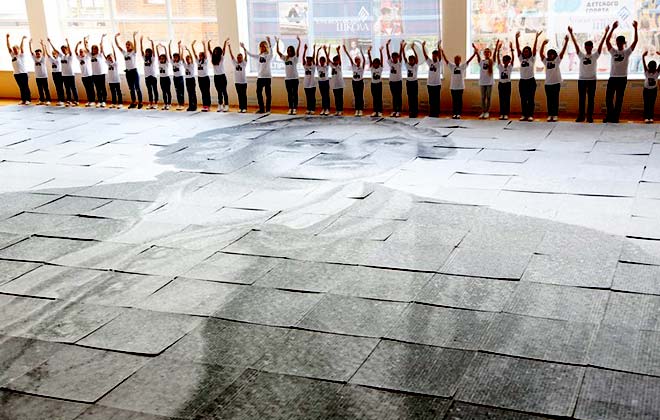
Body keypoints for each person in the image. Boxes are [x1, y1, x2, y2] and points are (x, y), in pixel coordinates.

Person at [569, 25, 608, 123]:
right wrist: (571, 33)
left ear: (592, 47)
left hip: (592, 80)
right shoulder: (581, 55)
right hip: (582, 80)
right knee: (581, 99)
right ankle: (581, 116)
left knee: (591, 99)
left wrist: (606, 33)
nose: (588, 48)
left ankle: (589, 117)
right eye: (586, 47)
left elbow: (601, 45)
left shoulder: (595, 56)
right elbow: (576, 45)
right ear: (585, 47)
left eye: (590, 47)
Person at [604, 20, 639, 123]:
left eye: (620, 42)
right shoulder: (613, 51)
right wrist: (612, 28)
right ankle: (610, 116)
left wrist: (635, 29)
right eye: (617, 42)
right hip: (612, 77)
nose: (619, 44)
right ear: (616, 42)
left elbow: (635, 42)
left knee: (619, 99)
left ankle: (615, 118)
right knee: (608, 98)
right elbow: (607, 41)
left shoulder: (626, 52)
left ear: (624, 43)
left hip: (622, 78)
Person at [540, 35, 569, 122]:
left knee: (555, 100)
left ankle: (555, 115)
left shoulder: (557, 60)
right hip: (548, 84)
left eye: (552, 54)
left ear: (555, 55)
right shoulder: (546, 61)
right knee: (549, 100)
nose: (550, 55)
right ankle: (550, 115)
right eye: (549, 54)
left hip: (556, 83)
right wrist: (543, 44)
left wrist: (566, 42)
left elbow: (563, 52)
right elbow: (541, 54)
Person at [443, 46, 477, 119]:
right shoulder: (452, 66)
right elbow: (446, 60)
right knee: (454, 101)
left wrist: (474, 53)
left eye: (458, 60)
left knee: (459, 100)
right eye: (455, 60)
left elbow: (469, 60)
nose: (456, 61)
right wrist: (442, 52)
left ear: (460, 60)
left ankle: (458, 113)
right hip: (453, 87)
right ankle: (454, 113)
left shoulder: (462, 66)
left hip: (460, 87)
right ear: (454, 60)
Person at [515, 30, 542, 121]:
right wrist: (516, 38)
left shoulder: (532, 59)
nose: (525, 53)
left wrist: (536, 38)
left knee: (530, 99)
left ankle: (530, 115)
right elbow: (517, 49)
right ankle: (524, 114)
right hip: (522, 81)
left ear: (529, 52)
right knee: (523, 99)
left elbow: (534, 48)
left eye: (527, 51)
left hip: (531, 81)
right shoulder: (521, 58)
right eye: (524, 51)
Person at [244, 37, 273, 114]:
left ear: (266, 47)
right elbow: (250, 55)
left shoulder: (268, 56)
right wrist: (244, 48)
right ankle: (261, 109)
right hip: (260, 77)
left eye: (263, 46)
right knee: (258, 92)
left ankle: (268, 109)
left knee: (268, 94)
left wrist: (269, 43)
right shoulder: (259, 56)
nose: (262, 47)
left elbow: (271, 53)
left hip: (267, 77)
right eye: (261, 46)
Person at [115, 32, 142, 109]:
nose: (127, 46)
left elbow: (136, 46)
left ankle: (140, 102)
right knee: (131, 89)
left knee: (137, 88)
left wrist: (134, 37)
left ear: (131, 45)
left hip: (134, 72)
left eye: (129, 44)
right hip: (128, 72)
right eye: (126, 45)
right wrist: (115, 37)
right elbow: (118, 46)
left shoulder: (133, 52)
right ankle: (133, 102)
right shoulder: (125, 53)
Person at [276, 35, 301, 115]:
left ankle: (295, 108)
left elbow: (298, 51)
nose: (289, 52)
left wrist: (299, 42)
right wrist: (277, 42)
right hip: (288, 79)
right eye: (288, 50)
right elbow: (278, 52)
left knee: (295, 94)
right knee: (289, 94)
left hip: (295, 78)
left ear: (292, 51)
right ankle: (290, 108)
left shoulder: (295, 58)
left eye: (290, 50)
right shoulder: (285, 58)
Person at [6, 34, 30, 105]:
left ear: (18, 49)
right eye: (13, 49)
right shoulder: (12, 55)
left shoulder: (21, 55)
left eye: (15, 49)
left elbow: (21, 47)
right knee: (21, 87)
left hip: (23, 73)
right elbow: (8, 47)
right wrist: (7, 38)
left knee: (25, 87)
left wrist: (22, 39)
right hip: (16, 74)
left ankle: (28, 99)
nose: (14, 50)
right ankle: (23, 99)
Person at [494, 39, 514, 120]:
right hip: (501, 84)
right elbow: (497, 58)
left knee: (507, 99)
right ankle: (502, 113)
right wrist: (498, 49)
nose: (505, 61)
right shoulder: (500, 67)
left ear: (509, 61)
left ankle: (506, 113)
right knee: (501, 99)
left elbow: (513, 59)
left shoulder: (510, 67)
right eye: (504, 60)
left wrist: (512, 49)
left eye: (506, 60)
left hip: (507, 84)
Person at [422, 40, 442, 117]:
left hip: (437, 84)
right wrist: (423, 46)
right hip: (430, 84)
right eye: (433, 55)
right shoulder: (430, 62)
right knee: (431, 99)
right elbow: (425, 56)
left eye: (435, 55)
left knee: (436, 99)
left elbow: (440, 56)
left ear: (437, 56)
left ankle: (436, 113)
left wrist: (438, 46)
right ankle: (431, 112)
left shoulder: (439, 62)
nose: (434, 57)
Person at [344, 43, 365, 116]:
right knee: (356, 96)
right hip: (354, 82)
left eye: (358, 60)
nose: (357, 61)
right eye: (356, 60)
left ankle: (361, 109)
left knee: (360, 96)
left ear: (360, 60)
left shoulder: (362, 67)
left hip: (360, 82)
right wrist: (345, 51)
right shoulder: (353, 66)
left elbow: (364, 59)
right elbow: (350, 58)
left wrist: (361, 52)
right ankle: (357, 110)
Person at [474, 43, 494, 119]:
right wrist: (475, 49)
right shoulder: (482, 62)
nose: (486, 53)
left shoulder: (492, 62)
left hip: (489, 82)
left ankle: (487, 112)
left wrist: (496, 47)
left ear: (490, 54)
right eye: (485, 52)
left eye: (488, 52)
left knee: (488, 97)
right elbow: (477, 56)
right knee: (483, 97)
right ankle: (483, 111)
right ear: (484, 54)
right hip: (482, 82)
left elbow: (495, 55)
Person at [209, 38, 229, 112]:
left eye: (217, 51)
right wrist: (208, 43)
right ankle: (220, 105)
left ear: (219, 52)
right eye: (215, 51)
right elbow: (209, 50)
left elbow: (224, 50)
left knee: (224, 91)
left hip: (222, 76)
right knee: (219, 92)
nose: (215, 52)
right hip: (216, 77)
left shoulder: (221, 57)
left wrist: (225, 42)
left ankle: (226, 105)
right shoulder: (213, 58)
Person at [386, 39, 404, 117]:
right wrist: (387, 46)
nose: (394, 58)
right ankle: (394, 110)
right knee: (394, 96)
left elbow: (401, 54)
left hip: (398, 82)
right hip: (392, 82)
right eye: (393, 57)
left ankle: (398, 111)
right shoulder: (391, 63)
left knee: (398, 96)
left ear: (397, 57)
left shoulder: (399, 63)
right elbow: (388, 55)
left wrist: (401, 46)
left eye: (395, 57)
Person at [29, 39, 51, 105]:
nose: (37, 54)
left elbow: (44, 52)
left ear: (41, 54)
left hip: (44, 76)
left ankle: (48, 100)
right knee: (40, 89)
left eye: (39, 53)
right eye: (36, 54)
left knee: (46, 89)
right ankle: (42, 100)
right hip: (37, 76)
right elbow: (31, 52)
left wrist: (42, 44)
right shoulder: (35, 59)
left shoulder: (43, 58)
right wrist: (29, 44)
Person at [192, 40, 211, 112]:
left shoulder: (205, 61)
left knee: (207, 92)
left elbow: (205, 53)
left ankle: (208, 105)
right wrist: (192, 46)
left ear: (203, 56)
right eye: (199, 55)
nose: (199, 56)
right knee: (203, 92)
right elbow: (194, 54)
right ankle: (204, 105)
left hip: (205, 78)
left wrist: (204, 45)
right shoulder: (198, 61)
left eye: (201, 55)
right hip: (200, 78)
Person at [229, 41, 248, 113]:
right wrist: (229, 47)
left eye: (240, 57)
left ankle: (244, 108)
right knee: (239, 95)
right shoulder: (235, 63)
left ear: (242, 58)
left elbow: (246, 55)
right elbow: (231, 55)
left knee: (244, 95)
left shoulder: (244, 63)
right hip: (237, 82)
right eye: (238, 57)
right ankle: (240, 107)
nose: (239, 58)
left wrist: (243, 48)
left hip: (243, 82)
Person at [45, 39, 65, 106]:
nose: (53, 54)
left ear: (57, 53)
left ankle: (62, 100)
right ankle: (59, 99)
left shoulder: (60, 58)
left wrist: (50, 42)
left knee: (60, 87)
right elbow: (47, 54)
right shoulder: (52, 59)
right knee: (57, 87)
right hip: (54, 73)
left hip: (59, 73)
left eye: (55, 53)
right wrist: (44, 47)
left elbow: (55, 49)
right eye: (53, 53)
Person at [402, 40, 419, 118]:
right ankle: (411, 111)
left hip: (414, 82)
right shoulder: (407, 65)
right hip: (409, 82)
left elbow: (417, 58)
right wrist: (403, 48)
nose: (411, 61)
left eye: (412, 60)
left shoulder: (415, 66)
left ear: (414, 60)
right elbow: (404, 57)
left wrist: (413, 49)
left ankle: (415, 111)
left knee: (414, 97)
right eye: (410, 60)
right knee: (410, 97)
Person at [642, 51, 660, 123]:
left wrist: (643, 56)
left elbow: (644, 64)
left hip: (652, 90)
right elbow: (644, 64)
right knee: (648, 104)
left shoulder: (656, 72)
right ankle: (647, 117)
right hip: (647, 90)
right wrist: (643, 57)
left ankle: (650, 117)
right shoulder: (650, 72)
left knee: (650, 104)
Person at [77, 37, 95, 107]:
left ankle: (92, 101)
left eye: (82, 51)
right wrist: (77, 44)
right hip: (83, 76)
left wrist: (85, 42)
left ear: (84, 52)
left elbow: (88, 50)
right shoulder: (79, 58)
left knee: (91, 89)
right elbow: (75, 51)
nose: (80, 53)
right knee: (87, 89)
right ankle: (89, 100)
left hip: (89, 75)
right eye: (80, 52)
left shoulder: (87, 57)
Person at [142, 36, 158, 109]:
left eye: (148, 52)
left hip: (153, 76)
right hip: (147, 77)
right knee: (149, 91)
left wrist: (152, 42)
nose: (147, 53)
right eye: (146, 52)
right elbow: (141, 50)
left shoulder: (153, 58)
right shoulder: (144, 58)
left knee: (155, 90)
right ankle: (150, 103)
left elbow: (154, 51)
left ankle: (156, 103)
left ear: (150, 53)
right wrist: (141, 41)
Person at [91, 34, 108, 108]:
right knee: (97, 89)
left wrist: (102, 38)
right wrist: (85, 41)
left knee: (102, 88)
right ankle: (100, 101)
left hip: (101, 74)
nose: (94, 50)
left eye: (95, 49)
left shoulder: (100, 55)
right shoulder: (91, 56)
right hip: (94, 75)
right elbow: (86, 49)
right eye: (93, 49)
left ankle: (104, 101)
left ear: (97, 49)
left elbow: (101, 46)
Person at [368, 45, 384, 117]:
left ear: (379, 64)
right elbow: (370, 59)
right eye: (374, 63)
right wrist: (369, 52)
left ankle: (380, 111)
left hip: (379, 84)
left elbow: (382, 60)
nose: (375, 64)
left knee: (379, 98)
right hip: (373, 84)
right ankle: (375, 111)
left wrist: (381, 52)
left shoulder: (380, 68)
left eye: (377, 63)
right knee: (374, 98)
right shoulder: (372, 68)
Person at [60, 38, 78, 106]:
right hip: (64, 75)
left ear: (67, 49)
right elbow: (56, 50)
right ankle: (69, 100)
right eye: (62, 50)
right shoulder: (62, 56)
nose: (63, 51)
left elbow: (70, 51)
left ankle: (76, 100)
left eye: (64, 49)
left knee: (73, 88)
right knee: (67, 88)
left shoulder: (70, 56)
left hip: (70, 74)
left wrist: (67, 42)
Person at [330, 45, 345, 116]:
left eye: (337, 60)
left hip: (340, 84)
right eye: (334, 61)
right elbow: (328, 59)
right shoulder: (332, 66)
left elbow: (340, 58)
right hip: (334, 85)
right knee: (336, 98)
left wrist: (338, 51)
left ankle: (341, 110)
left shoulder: (339, 66)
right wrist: (326, 50)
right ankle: (337, 110)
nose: (336, 62)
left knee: (340, 97)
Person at [106, 44, 122, 109]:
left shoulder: (115, 63)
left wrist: (113, 48)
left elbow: (115, 55)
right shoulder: (108, 63)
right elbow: (104, 56)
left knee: (118, 92)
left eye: (111, 57)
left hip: (116, 80)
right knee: (113, 92)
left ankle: (120, 103)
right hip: (111, 80)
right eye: (109, 58)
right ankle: (113, 103)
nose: (110, 59)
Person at [170, 41, 185, 111]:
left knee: (181, 91)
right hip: (175, 78)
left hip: (180, 78)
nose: (175, 58)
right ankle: (179, 104)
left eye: (176, 57)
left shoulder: (180, 62)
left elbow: (181, 55)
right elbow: (169, 55)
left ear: (178, 58)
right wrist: (169, 46)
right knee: (177, 91)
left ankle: (182, 104)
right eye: (174, 57)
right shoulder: (172, 62)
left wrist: (179, 47)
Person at [156, 43, 172, 110]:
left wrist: (164, 47)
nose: (161, 59)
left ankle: (169, 104)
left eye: (163, 58)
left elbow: (166, 55)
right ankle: (165, 103)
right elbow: (157, 55)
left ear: (165, 59)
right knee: (163, 92)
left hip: (167, 78)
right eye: (160, 58)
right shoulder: (159, 63)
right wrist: (156, 48)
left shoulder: (166, 63)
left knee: (168, 91)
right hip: (161, 78)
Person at [302, 43, 317, 115]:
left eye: (309, 60)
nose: (308, 62)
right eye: (307, 60)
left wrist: (314, 49)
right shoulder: (305, 66)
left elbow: (314, 58)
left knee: (312, 97)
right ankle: (308, 108)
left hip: (312, 84)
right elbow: (303, 58)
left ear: (311, 61)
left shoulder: (313, 67)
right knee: (308, 97)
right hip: (306, 84)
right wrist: (305, 50)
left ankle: (313, 109)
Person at [317, 45, 330, 116]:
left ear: (324, 61)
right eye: (320, 61)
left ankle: (327, 108)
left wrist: (325, 51)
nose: (321, 62)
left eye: (322, 61)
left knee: (326, 95)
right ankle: (323, 108)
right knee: (322, 96)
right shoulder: (318, 67)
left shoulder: (326, 67)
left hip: (326, 82)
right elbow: (316, 60)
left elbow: (328, 58)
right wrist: (317, 51)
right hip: (320, 82)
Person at [183, 46, 197, 111]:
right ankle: (190, 105)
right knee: (189, 93)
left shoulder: (192, 64)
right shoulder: (185, 65)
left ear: (191, 59)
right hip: (187, 80)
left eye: (188, 59)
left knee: (193, 93)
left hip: (192, 79)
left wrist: (188, 50)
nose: (187, 60)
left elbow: (191, 56)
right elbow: (182, 59)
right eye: (186, 59)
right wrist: (182, 50)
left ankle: (194, 106)